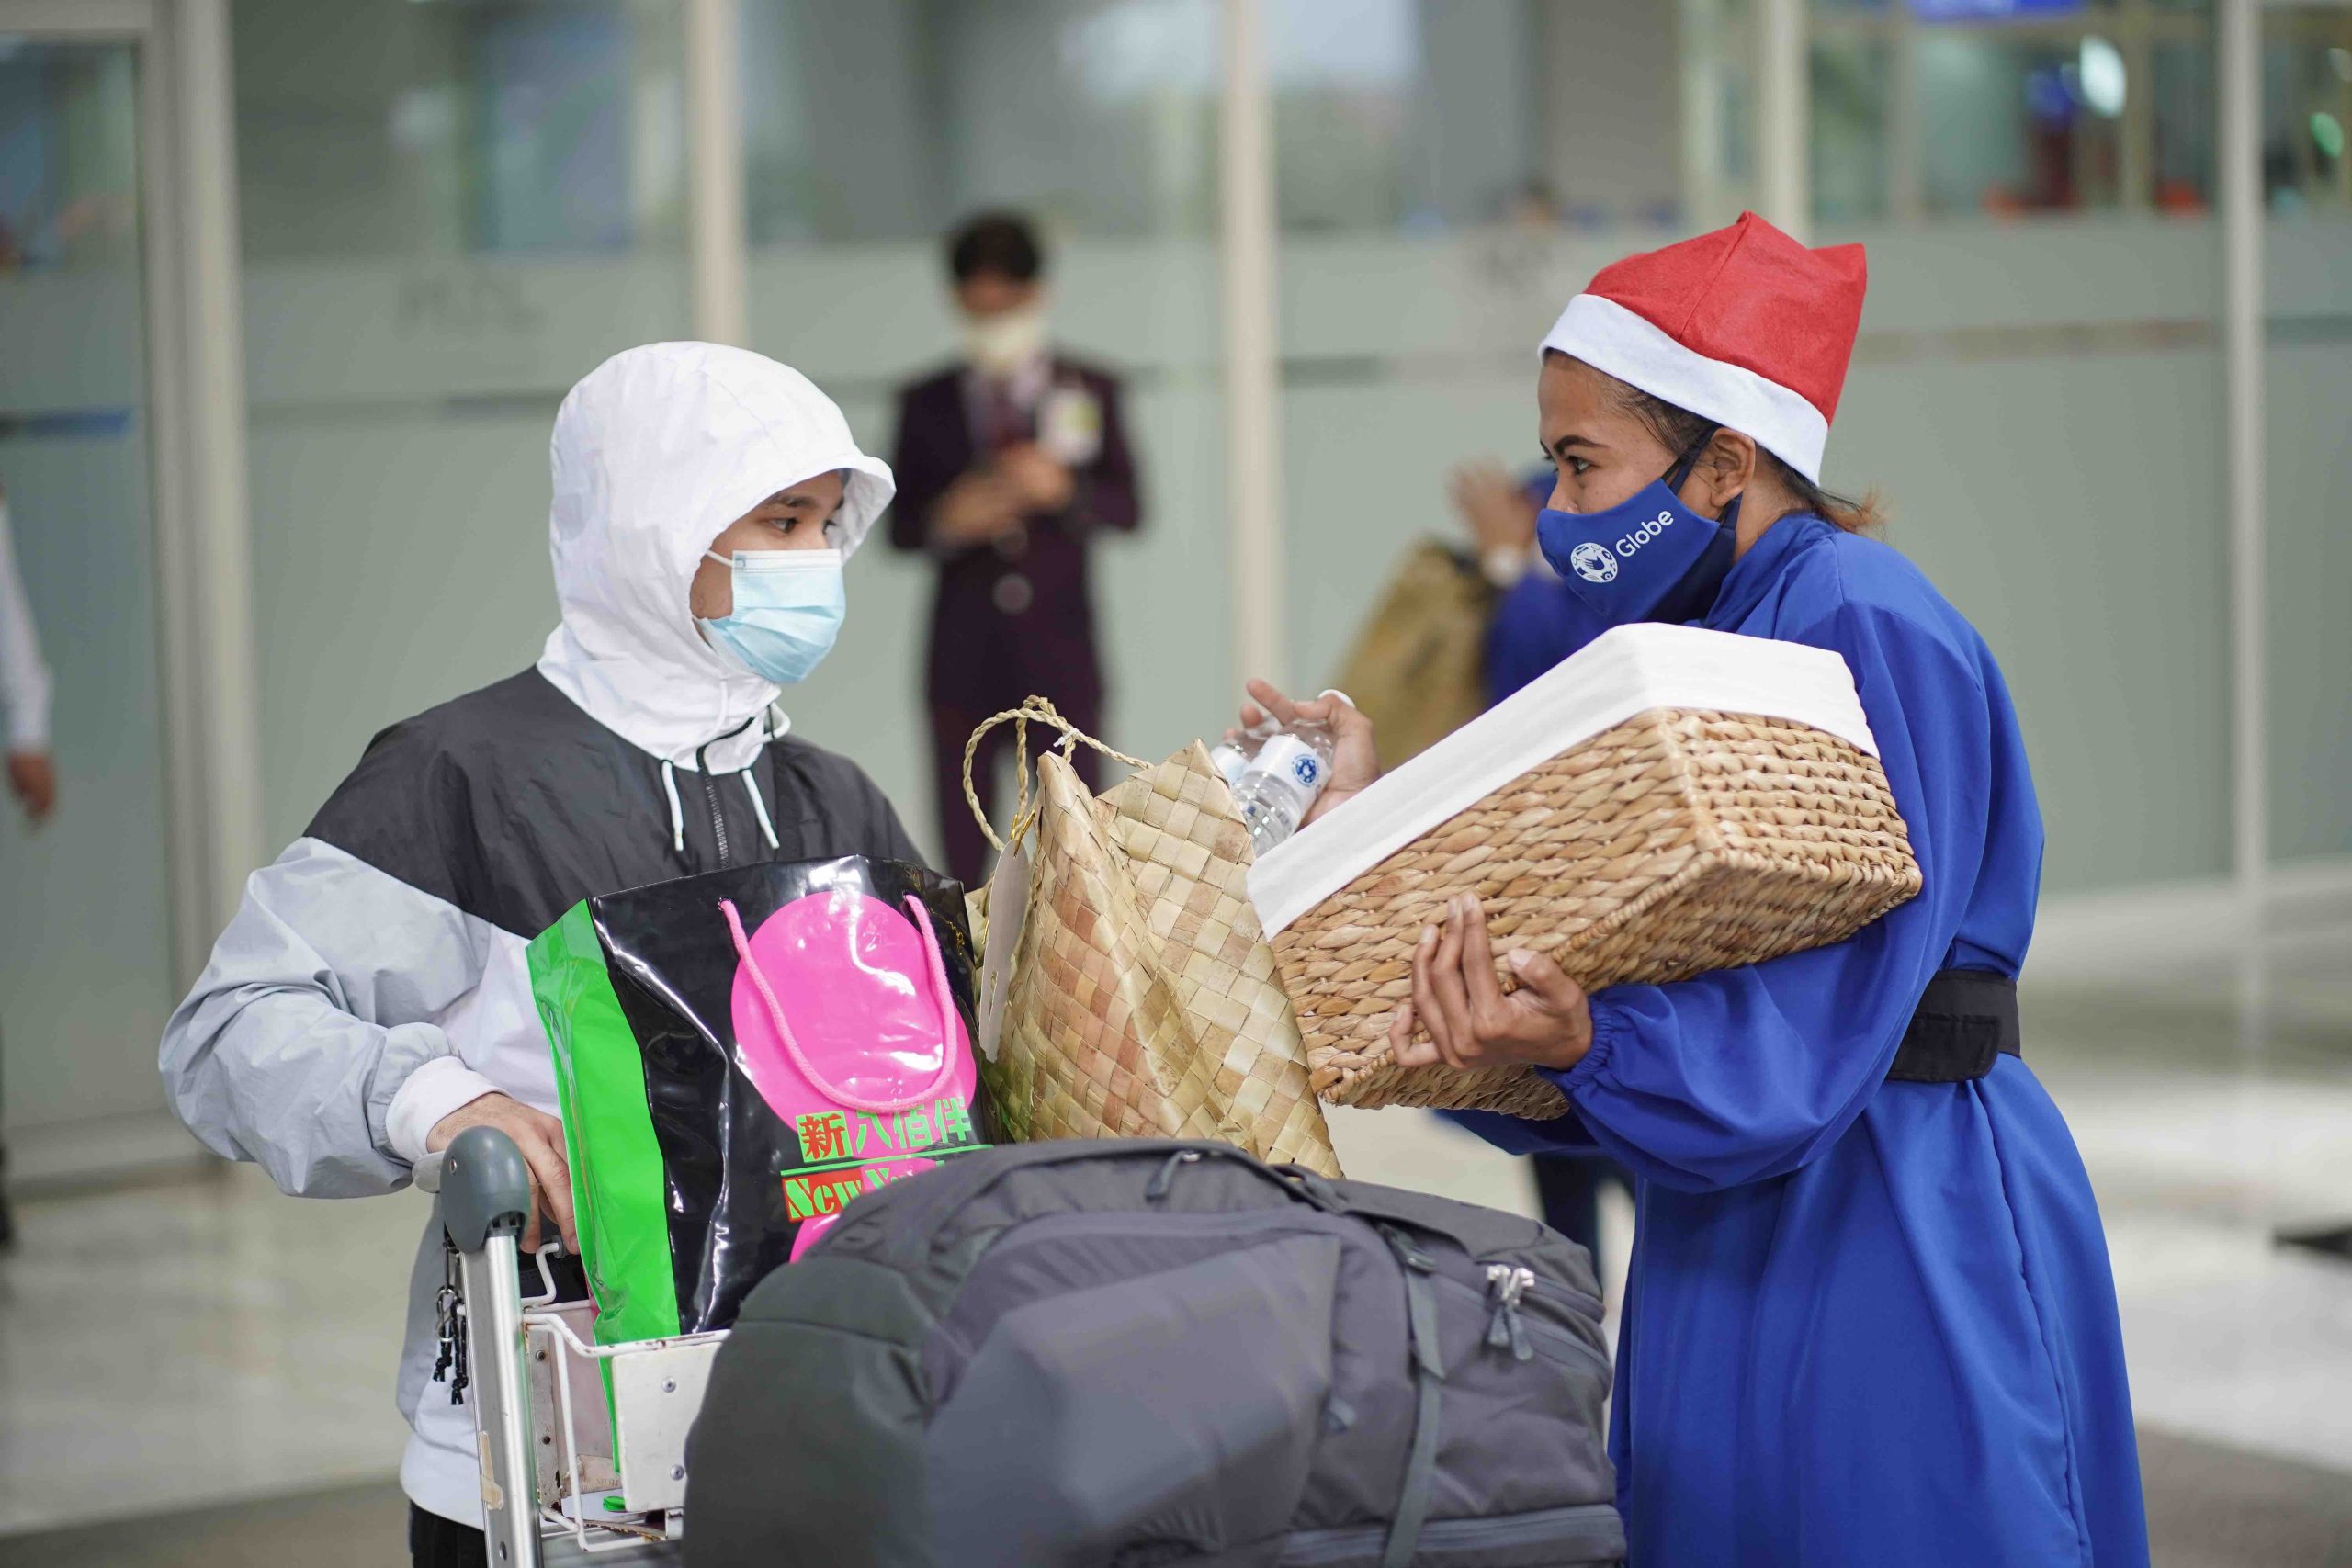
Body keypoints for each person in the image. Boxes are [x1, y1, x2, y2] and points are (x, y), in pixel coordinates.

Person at [1244, 213, 2147, 1566]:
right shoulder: (1695, 635)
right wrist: (1370, 836)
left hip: (1899, 1206)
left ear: (1725, 461)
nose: (1555, 515)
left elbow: (1824, 1014)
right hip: (1724, 1213)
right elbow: (1580, 936)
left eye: (1580, 464)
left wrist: (1599, 1038)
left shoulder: (1862, 620)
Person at [159, 344, 922, 1566]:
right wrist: (438, 1099)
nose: (816, 561)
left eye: (830, 524)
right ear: (652, 526)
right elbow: (230, 1026)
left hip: (826, 1433)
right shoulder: (463, 776)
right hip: (543, 1466)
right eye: (780, 520)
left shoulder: (831, 800)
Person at [888, 210, 1142, 885]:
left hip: (1060, 652)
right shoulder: (927, 400)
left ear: (1039, 296)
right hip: (961, 655)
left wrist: (1063, 492)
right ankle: (970, 981)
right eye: (978, 309)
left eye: (1007, 307)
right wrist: (950, 518)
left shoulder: (1090, 389)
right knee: (963, 848)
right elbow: (899, 527)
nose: (993, 323)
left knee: (1078, 842)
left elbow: (1129, 507)